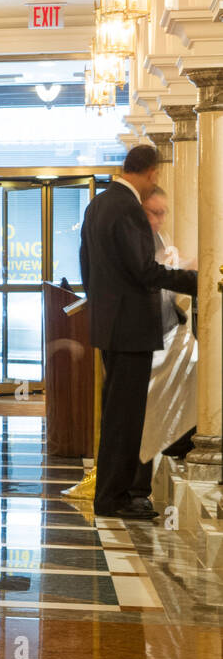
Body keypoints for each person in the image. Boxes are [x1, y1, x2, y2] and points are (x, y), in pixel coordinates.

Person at [79, 145, 197, 520]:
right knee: (126, 418)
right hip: (131, 328)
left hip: (111, 325)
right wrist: (194, 280)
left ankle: (112, 494)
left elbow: (86, 264)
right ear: (149, 172)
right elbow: (144, 270)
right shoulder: (127, 207)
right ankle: (113, 498)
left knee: (117, 415)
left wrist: (102, 306)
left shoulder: (98, 204)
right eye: (156, 175)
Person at [139, 186, 197, 466]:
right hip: (153, 330)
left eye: (163, 213)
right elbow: (154, 276)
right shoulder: (139, 239)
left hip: (170, 325)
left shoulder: (161, 237)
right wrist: (182, 271)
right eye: (154, 212)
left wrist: (185, 264)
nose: (159, 219)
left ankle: (179, 438)